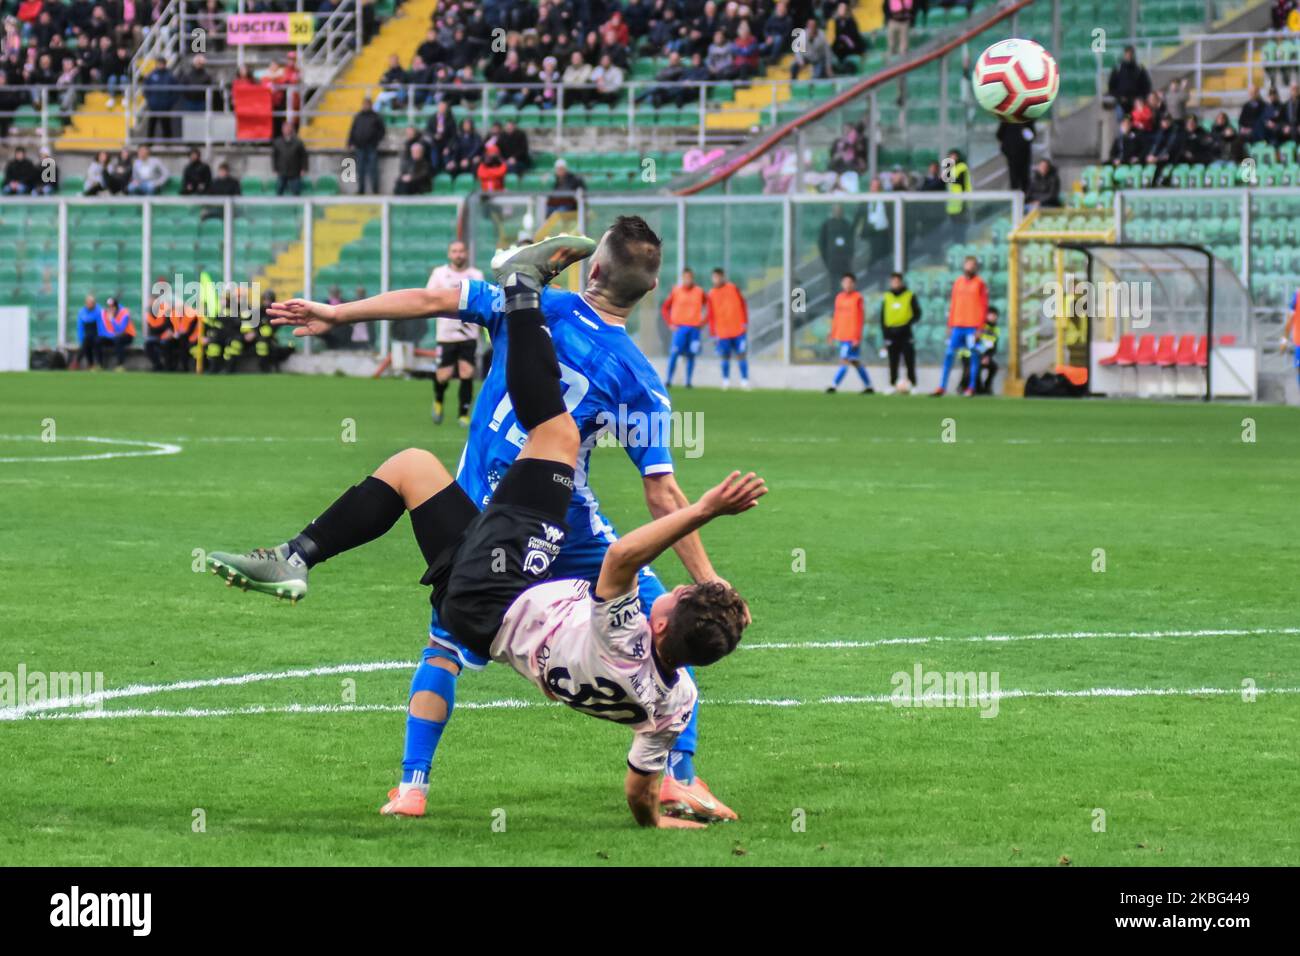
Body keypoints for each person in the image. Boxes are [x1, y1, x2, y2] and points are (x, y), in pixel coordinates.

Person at [206, 236, 762, 828]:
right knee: (680, 629)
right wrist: (713, 584)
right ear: (652, 289)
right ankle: (676, 779)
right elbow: (661, 494)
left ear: (592, 268)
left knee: (441, 626)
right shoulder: (640, 381)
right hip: (568, 532)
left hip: (490, 521)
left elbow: (429, 299)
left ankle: (410, 786)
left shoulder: (534, 306)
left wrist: (339, 313)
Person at [427, 240, 484, 426]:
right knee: (443, 374)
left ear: (466, 253)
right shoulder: (439, 274)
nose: (458, 254)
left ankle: (464, 413)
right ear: (449, 254)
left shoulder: (475, 275)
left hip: (468, 333)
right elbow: (428, 297)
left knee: (466, 372)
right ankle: (438, 400)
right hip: (446, 334)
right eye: (454, 251)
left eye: (461, 251)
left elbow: (482, 301)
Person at [933, 256, 988, 396]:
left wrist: (980, 328)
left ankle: (971, 387)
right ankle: (942, 386)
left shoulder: (980, 283)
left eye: (972, 265)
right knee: (949, 354)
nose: (969, 267)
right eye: (968, 264)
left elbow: (984, 306)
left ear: (976, 267)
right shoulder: (958, 282)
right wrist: (950, 324)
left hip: (972, 326)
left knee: (974, 355)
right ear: (964, 266)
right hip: (958, 325)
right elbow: (953, 304)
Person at [825, 274, 873, 394]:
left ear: (854, 284)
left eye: (850, 282)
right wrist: (832, 333)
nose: (847, 285)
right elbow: (836, 317)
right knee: (855, 361)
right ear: (842, 284)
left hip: (852, 336)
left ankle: (833, 385)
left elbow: (860, 318)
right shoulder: (839, 298)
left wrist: (857, 337)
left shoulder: (857, 298)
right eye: (845, 282)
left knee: (845, 360)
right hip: (842, 335)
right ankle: (869, 386)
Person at [661, 267, 706, 388]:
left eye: (690, 277)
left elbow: (710, 307)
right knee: (674, 354)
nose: (688, 280)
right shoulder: (676, 291)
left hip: (694, 329)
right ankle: (669, 379)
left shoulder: (699, 291)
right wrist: (670, 323)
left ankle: (688, 381)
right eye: (686, 277)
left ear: (693, 278)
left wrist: (704, 321)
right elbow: (665, 308)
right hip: (680, 328)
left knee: (691, 354)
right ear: (682, 278)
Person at [706, 267, 750, 390]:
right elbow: (711, 314)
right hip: (722, 331)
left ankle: (744, 381)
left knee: (741, 354)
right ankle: (726, 380)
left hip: (738, 329)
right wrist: (713, 332)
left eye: (719, 277)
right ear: (712, 278)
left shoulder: (733, 288)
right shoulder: (711, 294)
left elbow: (743, 304)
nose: (717, 279)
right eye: (715, 277)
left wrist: (745, 323)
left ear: (723, 277)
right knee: (725, 356)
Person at [880, 271, 919, 390]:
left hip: (905, 333)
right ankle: (892, 384)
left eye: (898, 281)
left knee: (909, 359)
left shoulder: (909, 295)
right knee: (893, 360)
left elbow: (917, 313)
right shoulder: (887, 296)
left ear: (901, 282)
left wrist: (907, 324)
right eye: (893, 281)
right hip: (891, 333)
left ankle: (912, 384)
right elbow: (883, 316)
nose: (896, 283)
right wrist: (885, 334)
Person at [347, 97, 386, 195]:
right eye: (364, 104)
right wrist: (350, 143)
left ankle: (375, 190)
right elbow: (352, 130)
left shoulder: (376, 117)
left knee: (373, 169)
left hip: (371, 147)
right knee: (360, 170)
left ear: (371, 105)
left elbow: (382, 131)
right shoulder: (358, 116)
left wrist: (375, 140)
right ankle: (361, 190)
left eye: (367, 104)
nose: (365, 106)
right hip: (359, 147)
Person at [818, 204, 855, 298]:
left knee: (846, 283)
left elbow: (851, 242)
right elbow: (822, 242)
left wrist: (849, 256)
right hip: (833, 260)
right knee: (834, 283)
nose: (838, 212)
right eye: (836, 210)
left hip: (844, 260)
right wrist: (826, 257)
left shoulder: (846, 224)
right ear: (833, 211)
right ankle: (834, 301)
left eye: (840, 210)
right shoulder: (827, 224)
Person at [967, 306, 1000, 395]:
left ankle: (987, 387)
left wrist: (987, 357)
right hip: (975, 355)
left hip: (986, 356)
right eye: (991, 315)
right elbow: (974, 343)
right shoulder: (980, 327)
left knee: (994, 367)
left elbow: (994, 346)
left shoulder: (996, 329)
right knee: (975, 367)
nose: (993, 317)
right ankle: (977, 388)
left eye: (995, 315)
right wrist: (981, 357)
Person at [96, 296, 136, 370]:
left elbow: (120, 330)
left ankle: (120, 365)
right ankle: (99, 365)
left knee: (118, 340)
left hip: (127, 336)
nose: (110, 309)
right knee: (98, 340)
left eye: (112, 307)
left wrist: (112, 320)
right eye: (109, 307)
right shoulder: (104, 314)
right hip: (113, 336)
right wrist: (111, 335)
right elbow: (102, 332)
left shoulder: (124, 313)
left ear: (116, 307)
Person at [997, 119, 1034, 192]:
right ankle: (1025, 196)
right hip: (1023, 152)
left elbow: (999, 134)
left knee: (1014, 177)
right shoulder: (1026, 120)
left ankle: (1016, 196)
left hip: (1012, 152)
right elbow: (1031, 135)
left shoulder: (1007, 120)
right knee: (1024, 176)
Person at [272, 121, 308, 196]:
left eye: (288, 128)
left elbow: (304, 156)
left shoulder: (298, 142)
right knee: (279, 191)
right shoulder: (277, 142)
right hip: (282, 171)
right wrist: (274, 168)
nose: (287, 130)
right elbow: (274, 156)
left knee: (296, 192)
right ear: (282, 130)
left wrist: (304, 168)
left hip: (295, 172)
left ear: (291, 129)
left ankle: (296, 207)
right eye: (285, 128)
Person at [76, 294, 102, 369]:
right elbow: (80, 328)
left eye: (92, 302)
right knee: (86, 341)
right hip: (88, 336)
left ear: (94, 303)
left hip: (98, 335)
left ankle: (98, 364)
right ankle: (91, 365)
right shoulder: (82, 312)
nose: (90, 304)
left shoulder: (99, 311)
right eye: (88, 302)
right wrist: (81, 339)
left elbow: (101, 326)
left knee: (94, 341)